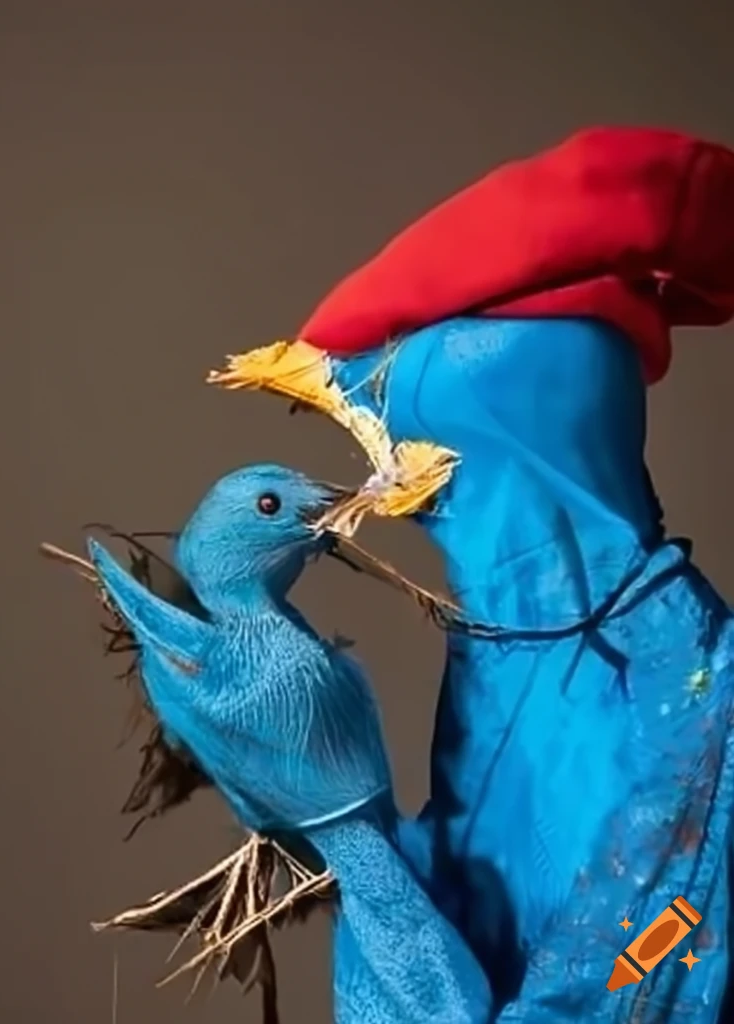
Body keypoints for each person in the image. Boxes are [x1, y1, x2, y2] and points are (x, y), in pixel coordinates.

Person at [211, 127, 734, 1021]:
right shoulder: (507, 648)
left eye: (383, 416)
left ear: (507, 444)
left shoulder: (685, 700)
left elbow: (604, 993)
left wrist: (359, 847)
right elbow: (474, 924)